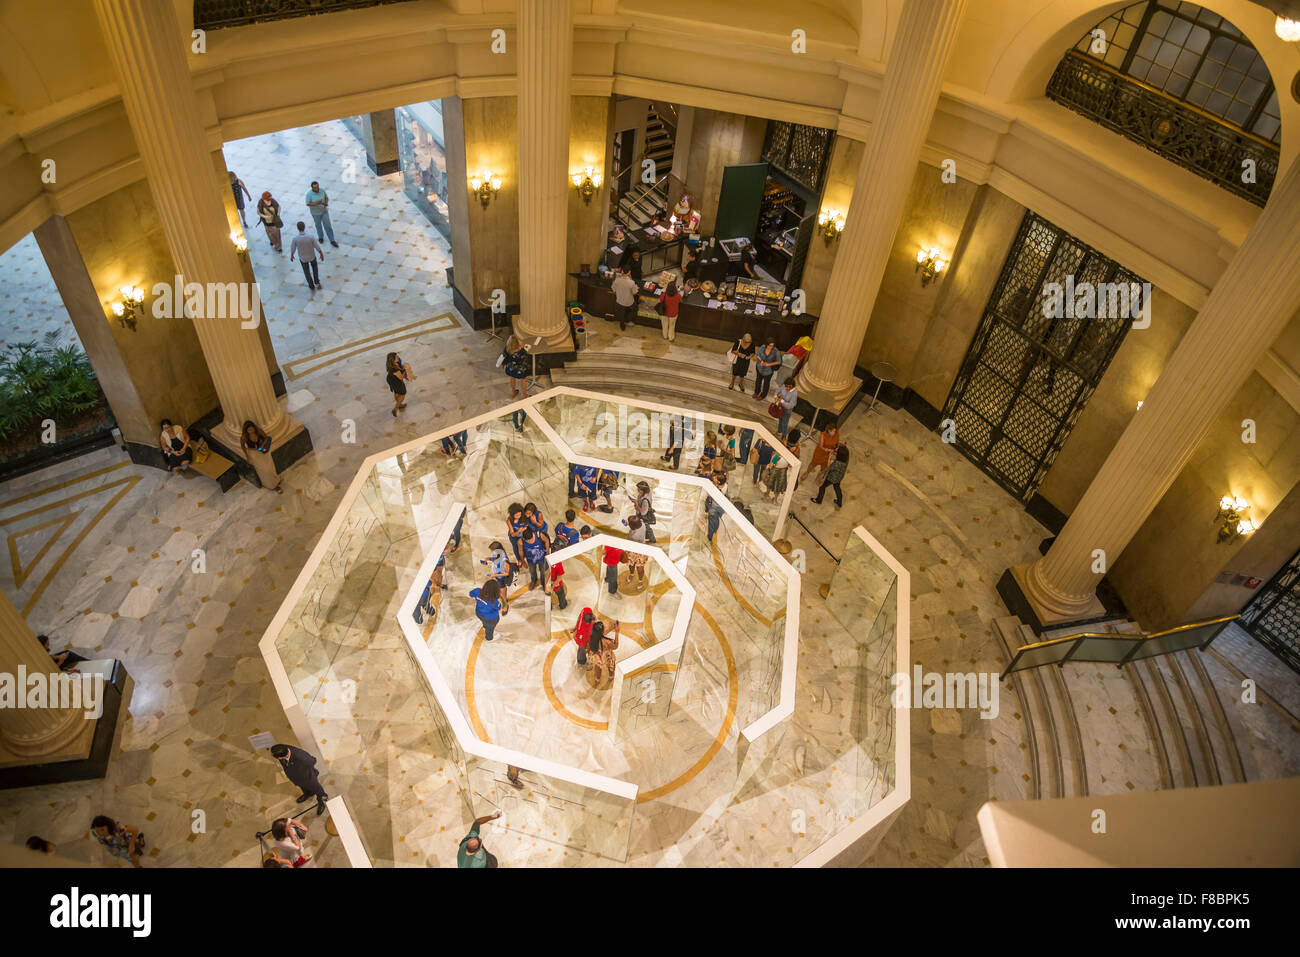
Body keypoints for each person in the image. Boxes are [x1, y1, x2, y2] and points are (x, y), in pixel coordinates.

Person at [270, 742, 329, 814]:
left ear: (281, 757)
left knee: (317, 790)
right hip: (297, 778)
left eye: (278, 758)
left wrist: (304, 770)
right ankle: (308, 794)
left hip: (308, 778)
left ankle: (321, 802)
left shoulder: (301, 756)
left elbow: (313, 760)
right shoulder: (282, 750)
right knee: (303, 787)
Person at [240, 420, 283, 493]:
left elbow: (266, 437)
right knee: (264, 471)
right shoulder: (244, 437)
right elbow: (243, 447)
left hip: (263, 450)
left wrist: (262, 445)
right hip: (254, 454)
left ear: (254, 427)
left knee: (270, 467)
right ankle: (273, 486)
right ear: (246, 430)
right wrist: (248, 456)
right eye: (249, 430)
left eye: (252, 428)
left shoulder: (258, 431)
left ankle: (276, 480)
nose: (251, 431)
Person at [763, 430, 800, 502]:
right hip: (783, 470)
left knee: (770, 481)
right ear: (797, 440)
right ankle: (775, 499)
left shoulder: (783, 443)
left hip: (775, 467)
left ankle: (767, 493)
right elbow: (792, 463)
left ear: (788, 436)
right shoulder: (796, 449)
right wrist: (795, 449)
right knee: (779, 485)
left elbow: (774, 452)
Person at [288, 221, 325, 291]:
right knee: (315, 269)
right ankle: (316, 281)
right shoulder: (310, 237)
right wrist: (321, 254)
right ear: (304, 227)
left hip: (303, 258)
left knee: (306, 272)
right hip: (312, 256)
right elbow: (316, 246)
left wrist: (292, 255)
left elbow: (293, 248)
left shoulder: (295, 239)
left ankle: (311, 285)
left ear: (297, 228)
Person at [802, 419, 840, 485]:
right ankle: (807, 472)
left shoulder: (837, 435)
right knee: (813, 464)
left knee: (824, 467)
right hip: (820, 452)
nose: (834, 432)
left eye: (834, 431)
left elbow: (837, 443)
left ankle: (819, 476)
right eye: (832, 431)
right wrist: (826, 449)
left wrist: (836, 449)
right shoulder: (823, 435)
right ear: (828, 430)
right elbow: (821, 445)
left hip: (828, 455)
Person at [587, 620, 621, 690]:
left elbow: (600, 635)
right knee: (610, 666)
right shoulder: (607, 642)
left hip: (597, 656)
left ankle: (597, 680)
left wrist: (611, 628)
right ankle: (611, 677)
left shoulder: (592, 637)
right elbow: (615, 646)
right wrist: (617, 633)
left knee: (598, 667)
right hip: (606, 656)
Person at [305, 180, 339, 247]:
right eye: (315, 188)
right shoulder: (309, 194)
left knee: (328, 225)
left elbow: (326, 197)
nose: (317, 189)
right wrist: (316, 203)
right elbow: (308, 203)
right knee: (318, 225)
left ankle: (332, 240)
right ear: (312, 188)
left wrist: (326, 202)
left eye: (317, 187)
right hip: (315, 213)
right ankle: (320, 237)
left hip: (324, 211)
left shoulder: (322, 190)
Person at [480, 541, 512, 606]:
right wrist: (488, 558)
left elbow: (507, 573)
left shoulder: (504, 560)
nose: (492, 552)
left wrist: (495, 575)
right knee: (499, 591)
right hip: (497, 577)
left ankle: (505, 604)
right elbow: (495, 559)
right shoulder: (498, 555)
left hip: (501, 579)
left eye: (493, 551)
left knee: (502, 593)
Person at [520, 528, 548, 592]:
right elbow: (520, 551)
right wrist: (523, 561)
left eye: (531, 539)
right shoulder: (520, 541)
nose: (530, 542)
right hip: (530, 560)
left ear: (533, 534)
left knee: (543, 571)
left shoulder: (539, 535)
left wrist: (548, 553)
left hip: (541, 558)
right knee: (532, 571)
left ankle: (543, 582)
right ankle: (533, 581)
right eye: (528, 541)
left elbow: (546, 541)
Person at [385, 352, 412, 416]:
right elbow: (401, 377)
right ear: (393, 359)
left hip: (391, 379)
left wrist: (403, 368)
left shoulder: (393, 364)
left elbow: (401, 369)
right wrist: (405, 370)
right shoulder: (395, 369)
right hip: (395, 381)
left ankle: (400, 405)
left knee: (397, 392)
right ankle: (395, 408)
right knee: (402, 393)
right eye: (396, 357)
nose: (398, 357)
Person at [624, 517, 649, 586]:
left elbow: (629, 541)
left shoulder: (634, 536)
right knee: (637, 565)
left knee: (638, 566)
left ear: (632, 526)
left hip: (635, 549)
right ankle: (634, 576)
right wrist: (629, 523)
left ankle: (639, 580)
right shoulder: (642, 523)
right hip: (642, 547)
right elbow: (637, 520)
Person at [705, 472, 726, 543]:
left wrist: (707, 508)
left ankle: (710, 536)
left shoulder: (715, 491)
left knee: (711, 522)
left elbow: (709, 498)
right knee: (717, 519)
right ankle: (716, 529)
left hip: (714, 508)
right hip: (722, 508)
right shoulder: (726, 485)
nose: (714, 478)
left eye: (715, 478)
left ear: (719, 482)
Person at [549, 545, 568, 610]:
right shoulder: (558, 564)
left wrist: (550, 584)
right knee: (561, 596)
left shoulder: (547, 560)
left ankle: (549, 608)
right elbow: (559, 578)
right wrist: (553, 586)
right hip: (556, 585)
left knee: (548, 598)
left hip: (548, 583)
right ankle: (563, 606)